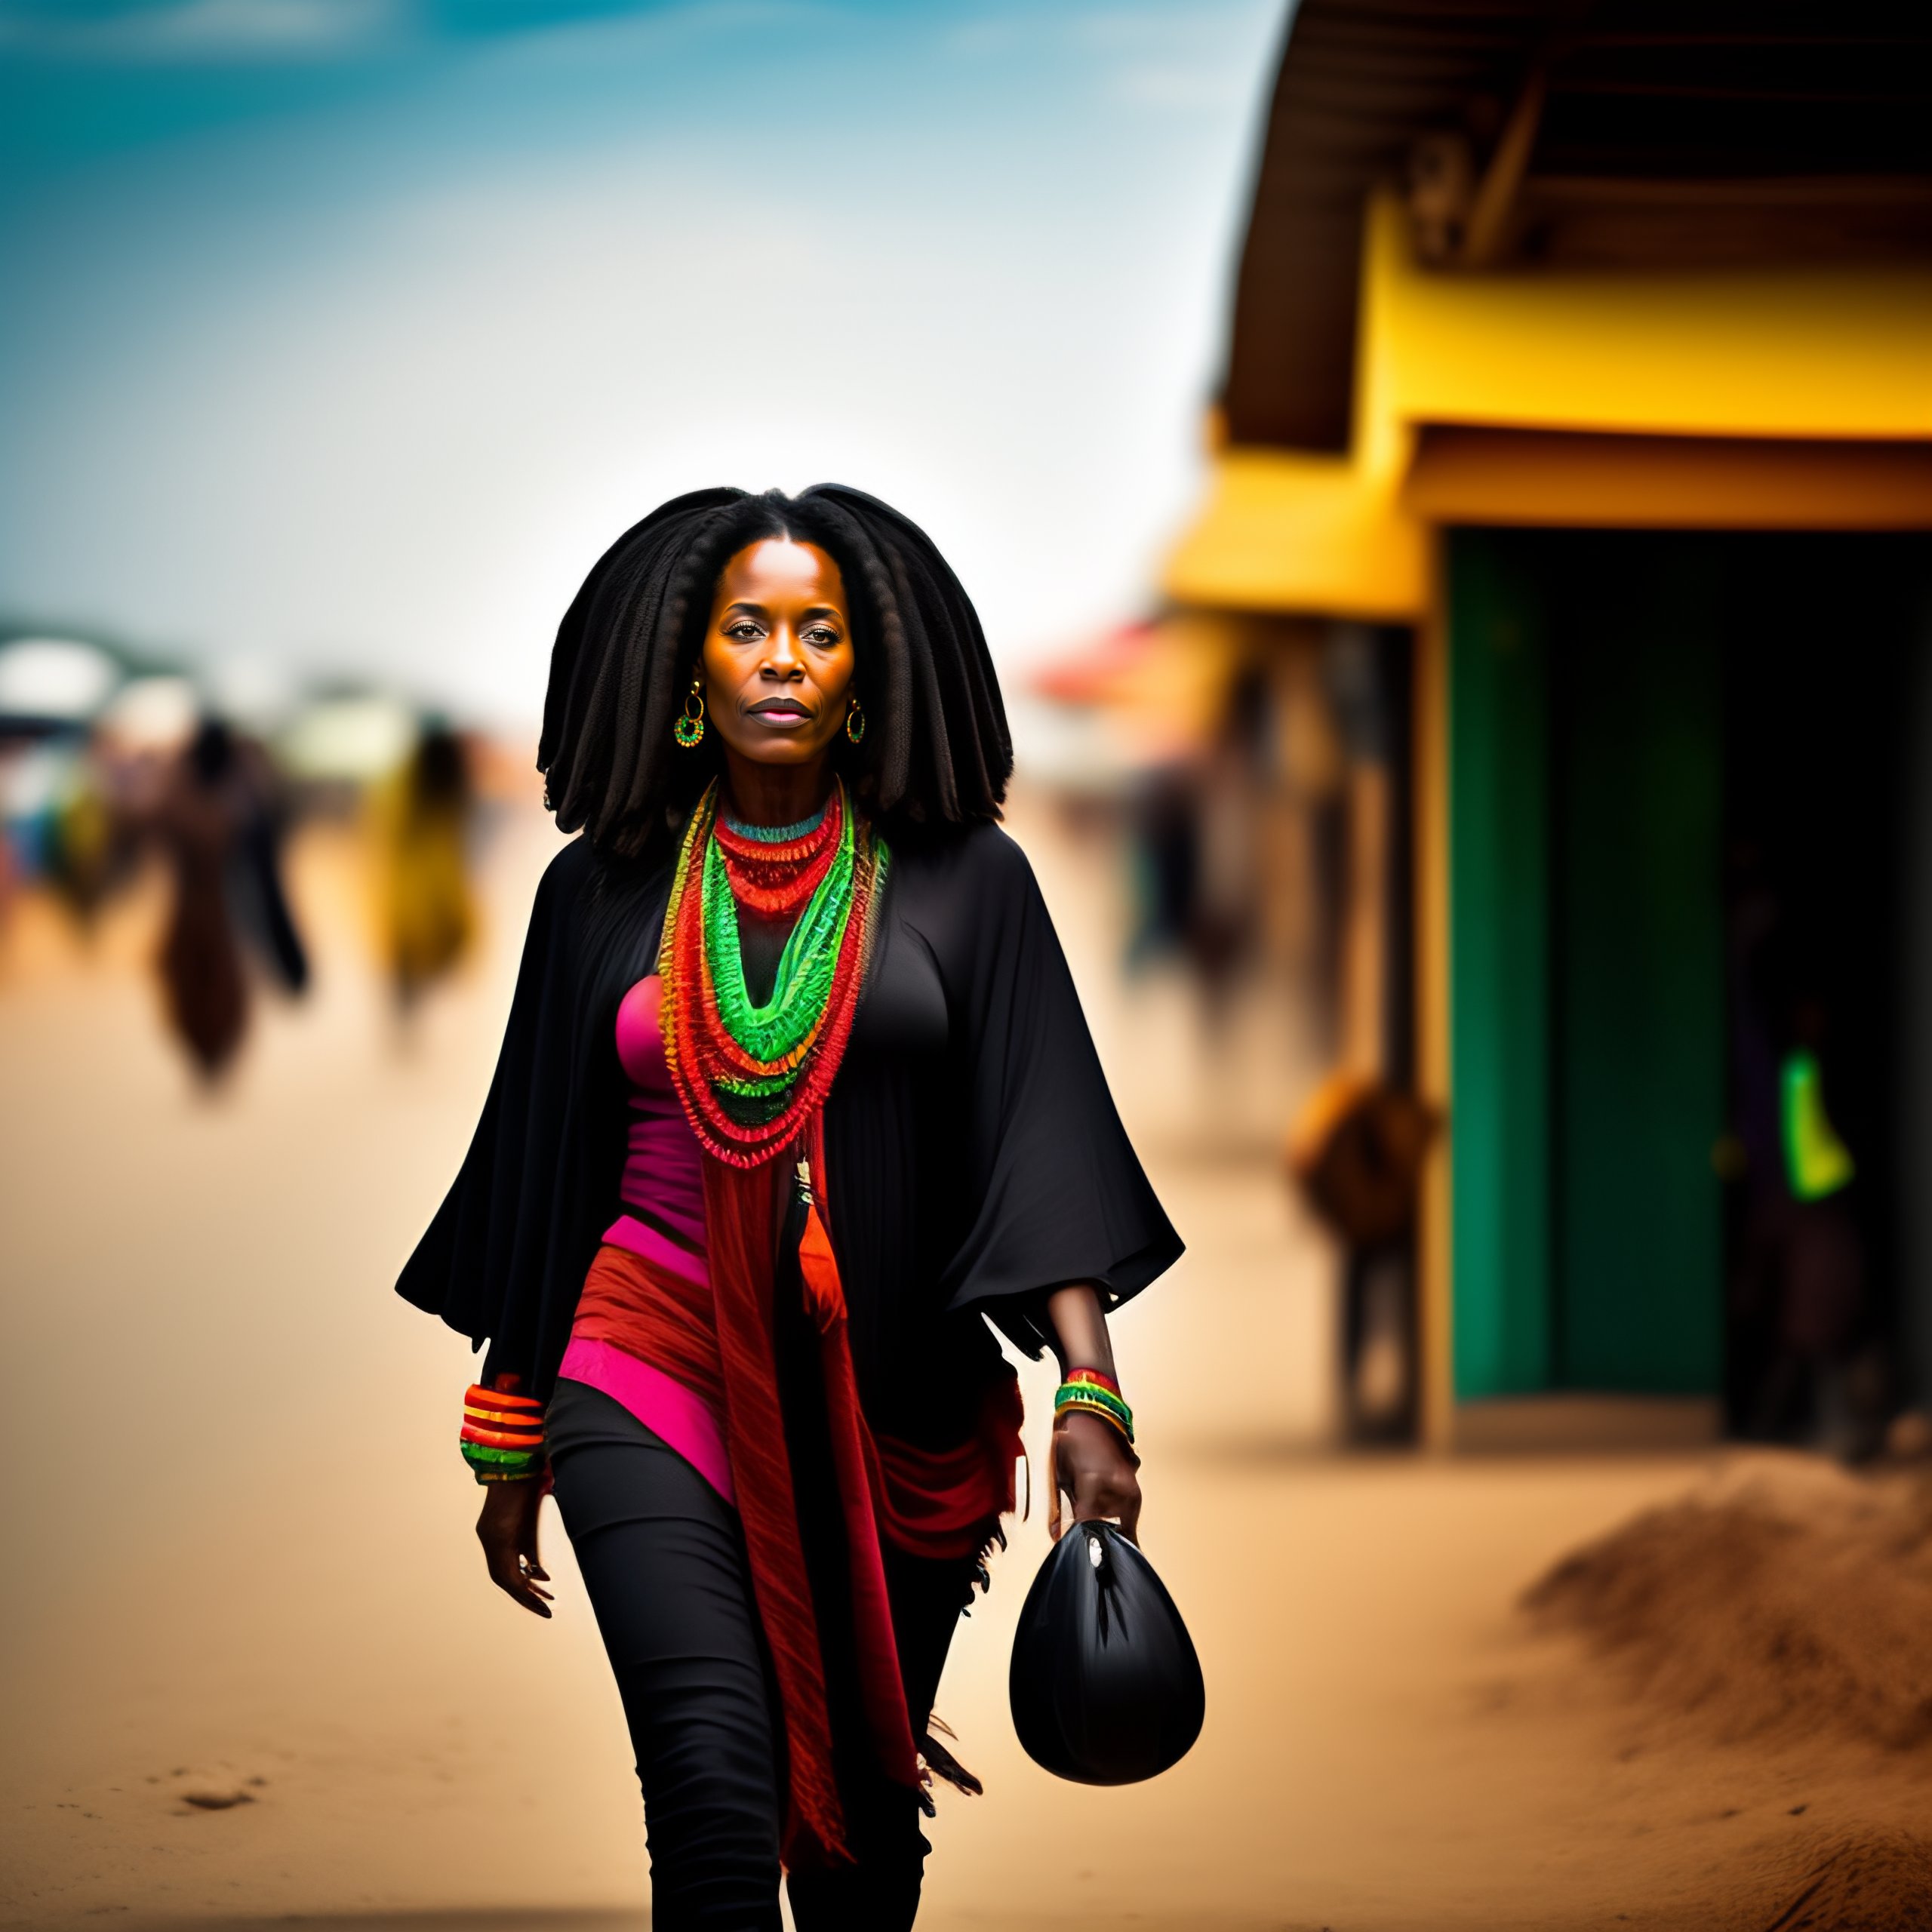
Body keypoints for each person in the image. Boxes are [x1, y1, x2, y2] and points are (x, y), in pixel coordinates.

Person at [396, 485, 1182, 1932]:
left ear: (867, 669)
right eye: (744, 628)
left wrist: (1091, 1394)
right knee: (709, 1776)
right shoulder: (598, 894)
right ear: (685, 667)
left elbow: (1042, 1136)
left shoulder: (972, 886)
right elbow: (542, 1163)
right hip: (648, 1357)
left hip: (902, 1400)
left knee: (862, 1848)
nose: (779, 658)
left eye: (817, 632)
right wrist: (513, 1409)